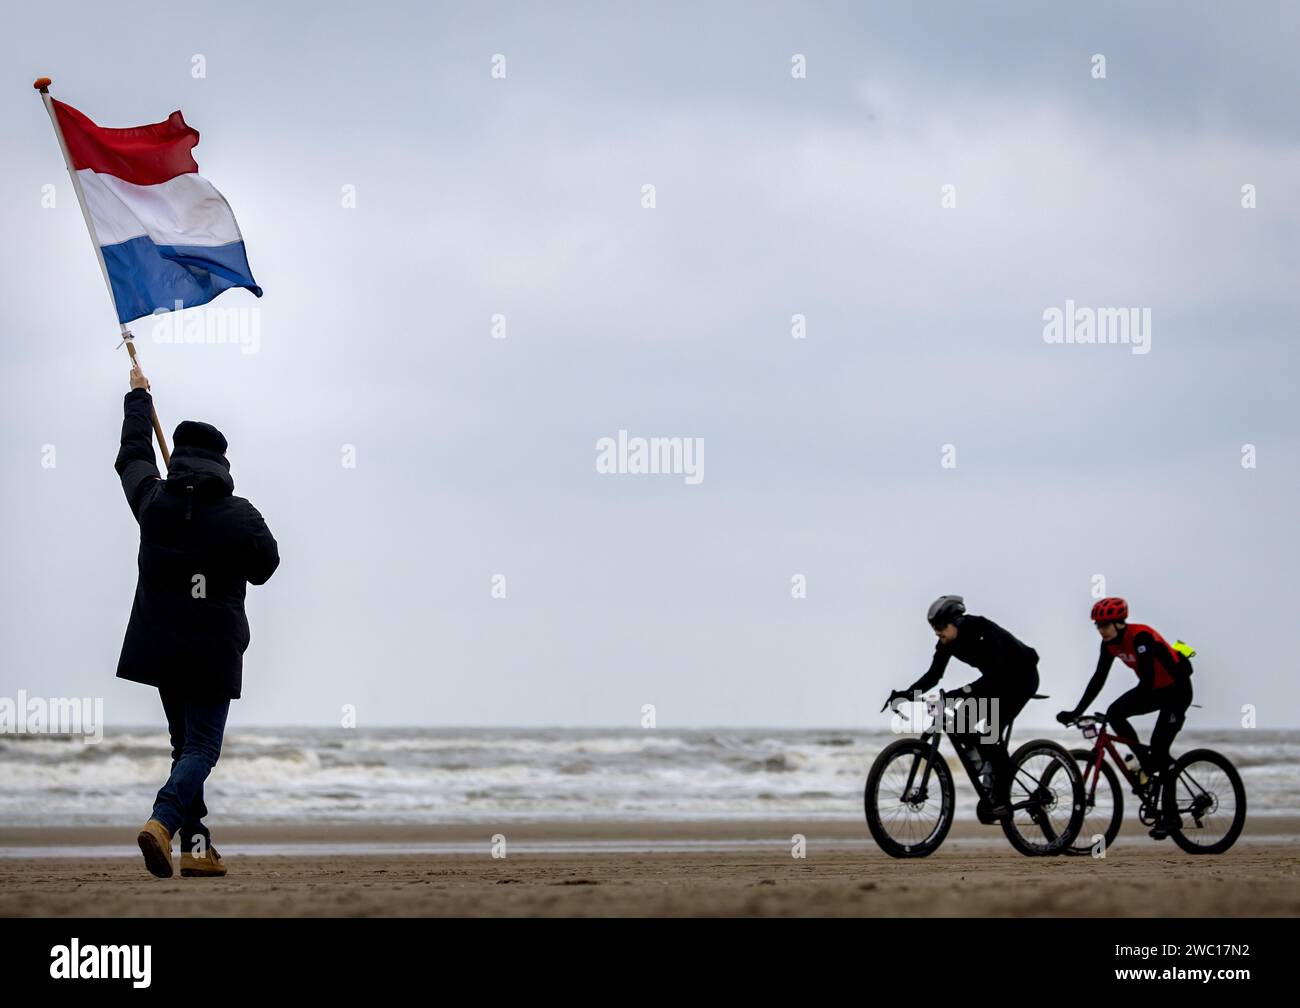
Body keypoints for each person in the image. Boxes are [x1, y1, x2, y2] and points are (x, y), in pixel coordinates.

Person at [116, 365, 280, 878]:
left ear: (179, 458)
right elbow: (266, 567)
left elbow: (133, 458)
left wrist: (138, 399)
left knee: (184, 746)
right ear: (221, 464)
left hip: (161, 645)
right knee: (202, 748)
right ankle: (163, 822)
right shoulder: (240, 514)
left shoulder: (153, 502)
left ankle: (198, 848)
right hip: (211, 651)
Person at [890, 595, 1040, 820]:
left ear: (956, 621)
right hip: (995, 680)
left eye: (940, 626)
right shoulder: (946, 643)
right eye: (933, 627)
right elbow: (933, 676)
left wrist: (963, 692)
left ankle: (1001, 790)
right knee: (959, 719)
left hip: (1021, 678)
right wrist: (907, 694)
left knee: (990, 729)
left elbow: (998, 674)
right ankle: (985, 761)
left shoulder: (981, 629)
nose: (937, 632)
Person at [1056, 597, 1193, 838]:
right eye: (1097, 625)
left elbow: (1148, 682)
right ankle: (1146, 765)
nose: (1101, 630)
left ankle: (1172, 818)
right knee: (1115, 714)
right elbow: (1099, 678)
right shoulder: (1108, 645)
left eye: (1105, 625)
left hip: (1177, 691)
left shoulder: (1141, 637)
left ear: (1119, 623)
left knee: (1160, 752)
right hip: (1154, 690)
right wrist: (1077, 711)